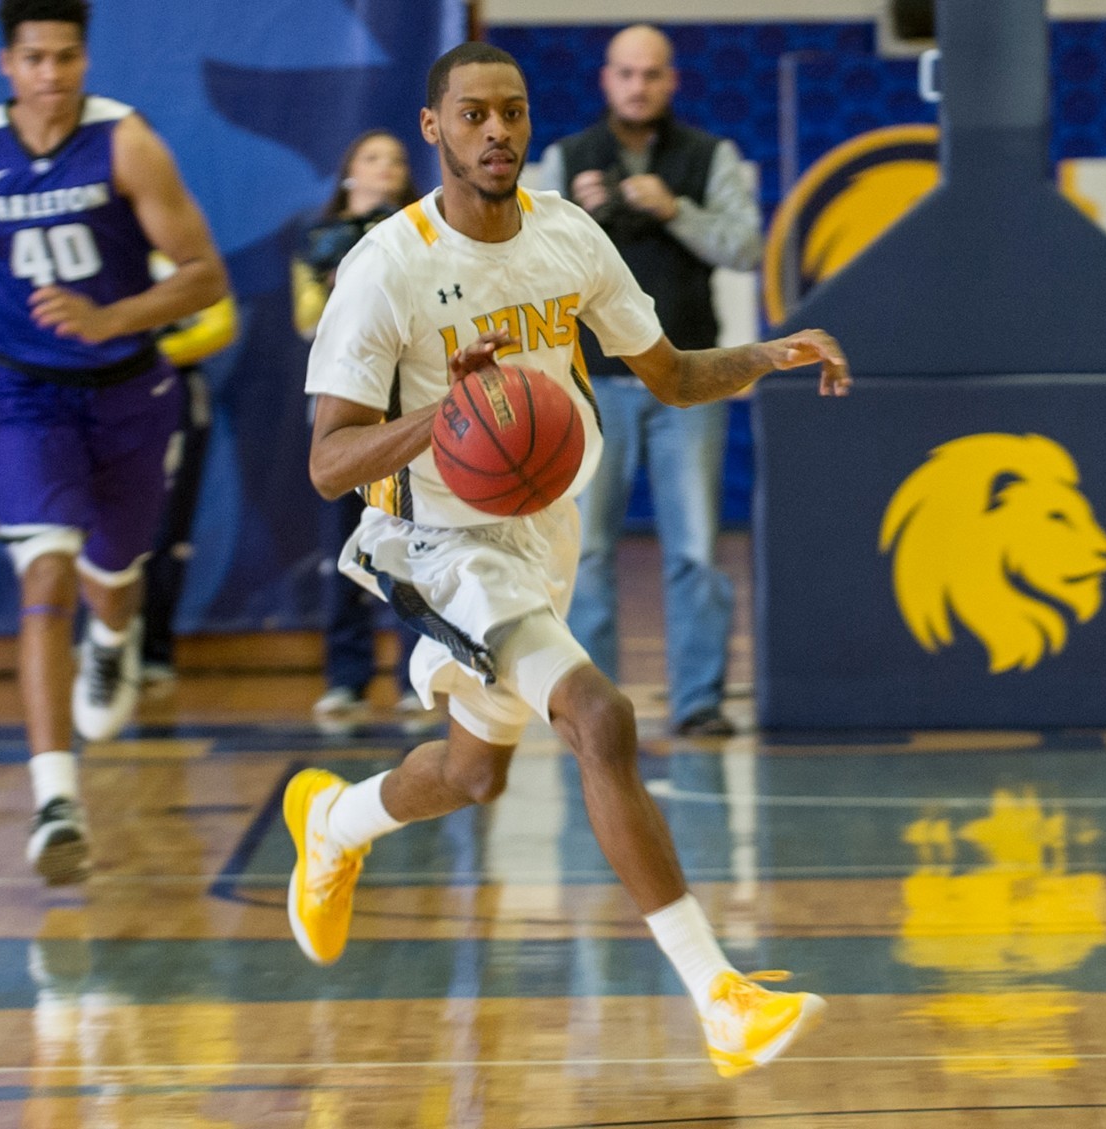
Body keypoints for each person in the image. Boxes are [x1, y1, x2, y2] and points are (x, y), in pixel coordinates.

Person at [289, 42, 850, 1078]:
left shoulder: (566, 235)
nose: (496, 132)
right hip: (436, 542)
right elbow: (328, 464)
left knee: (472, 773)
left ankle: (333, 820)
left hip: (538, 526)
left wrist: (772, 353)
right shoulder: (388, 266)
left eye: (511, 113)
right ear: (434, 128)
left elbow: (672, 376)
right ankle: (717, 995)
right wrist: (441, 417)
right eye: (471, 116)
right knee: (602, 716)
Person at [0, 0, 228, 885]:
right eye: (35, 59)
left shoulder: (126, 144)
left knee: (113, 577)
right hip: (24, 393)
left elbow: (204, 276)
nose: (52, 76)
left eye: (67, 58)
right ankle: (53, 797)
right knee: (46, 566)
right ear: (6, 63)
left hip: (128, 391)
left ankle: (113, 642)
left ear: (84, 58)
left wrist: (113, 315)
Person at [530, 25, 762, 737]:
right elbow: (528, 266)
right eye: (627, 73)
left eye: (652, 73)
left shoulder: (708, 156)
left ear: (671, 81)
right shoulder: (568, 160)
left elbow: (747, 245)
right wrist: (579, 220)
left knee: (694, 547)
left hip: (687, 378)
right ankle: (593, 708)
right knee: (588, 551)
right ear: (607, 80)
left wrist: (674, 209)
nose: (639, 86)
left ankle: (698, 701)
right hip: (590, 384)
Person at [293, 129, 431, 734]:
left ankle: (414, 678)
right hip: (344, 416)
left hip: (404, 415)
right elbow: (306, 322)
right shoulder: (319, 243)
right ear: (350, 171)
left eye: (398, 158)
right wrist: (341, 288)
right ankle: (346, 681)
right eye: (374, 157)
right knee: (344, 550)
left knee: (409, 545)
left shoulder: (421, 238)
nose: (387, 167)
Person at [139, 255, 238, 687]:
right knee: (103, 526)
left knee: (167, 528)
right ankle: (104, 639)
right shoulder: (100, 256)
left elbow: (220, 324)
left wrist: (144, 351)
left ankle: (152, 649)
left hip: (171, 392)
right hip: (105, 394)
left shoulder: (177, 262)